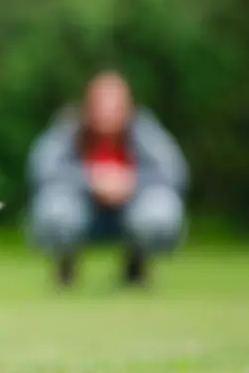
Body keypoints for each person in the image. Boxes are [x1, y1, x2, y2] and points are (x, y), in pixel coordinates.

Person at [27, 71, 187, 287]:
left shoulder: (144, 130)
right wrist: (91, 180)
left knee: (160, 210)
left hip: (130, 210)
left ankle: (136, 264)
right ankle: (65, 264)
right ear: (87, 105)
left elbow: (175, 172)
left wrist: (130, 181)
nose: (108, 112)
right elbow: (41, 170)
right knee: (55, 207)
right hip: (82, 210)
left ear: (129, 106)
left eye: (116, 105)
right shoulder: (68, 128)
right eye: (101, 103)